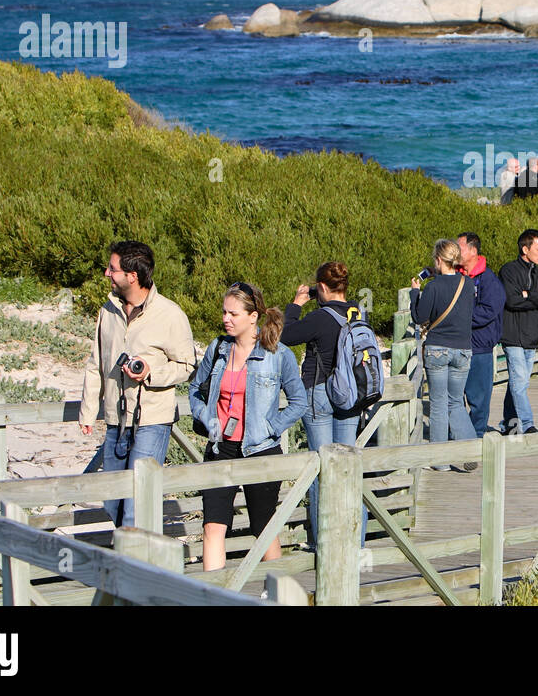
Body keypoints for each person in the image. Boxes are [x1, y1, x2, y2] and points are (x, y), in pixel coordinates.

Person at [189, 283, 306, 571]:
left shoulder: (278, 355)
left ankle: (277, 593)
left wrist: (270, 427)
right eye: (224, 312)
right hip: (220, 449)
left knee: (263, 529)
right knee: (213, 527)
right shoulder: (217, 348)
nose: (226, 318)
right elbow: (194, 389)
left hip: (261, 450)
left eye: (233, 313)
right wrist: (207, 417)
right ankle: (214, 597)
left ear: (253, 316)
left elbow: (298, 402)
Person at [80, 240, 196, 529]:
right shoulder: (108, 310)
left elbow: (188, 366)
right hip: (114, 420)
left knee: (137, 507)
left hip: (152, 421)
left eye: (113, 268)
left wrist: (149, 372)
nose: (107, 273)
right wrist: (87, 411)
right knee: (112, 505)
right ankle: (120, 568)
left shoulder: (170, 314)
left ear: (132, 276)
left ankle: (138, 571)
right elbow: (96, 363)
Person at [281, 261, 368, 544]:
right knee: (348, 469)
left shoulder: (319, 317)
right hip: (351, 395)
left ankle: (324, 544)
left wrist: (295, 305)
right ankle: (355, 541)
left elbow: (285, 335)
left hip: (319, 393)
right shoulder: (358, 314)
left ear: (321, 287)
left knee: (321, 470)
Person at [410, 239, 476, 469]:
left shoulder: (433, 286)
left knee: (438, 402)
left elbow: (420, 317)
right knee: (455, 401)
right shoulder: (468, 284)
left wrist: (414, 293)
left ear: (438, 260)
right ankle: (470, 449)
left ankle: (440, 461)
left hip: (438, 349)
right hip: (463, 349)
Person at [499, 229, 538, 435]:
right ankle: (527, 423)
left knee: (517, 383)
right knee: (520, 382)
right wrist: (535, 296)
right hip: (512, 335)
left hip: (531, 335)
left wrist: (527, 295)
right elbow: (512, 301)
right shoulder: (509, 271)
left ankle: (508, 423)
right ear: (525, 249)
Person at [458, 232, 505, 438]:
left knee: (479, 399)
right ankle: (460, 435)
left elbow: (489, 311)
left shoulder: (489, 279)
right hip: (456, 345)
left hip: (480, 348)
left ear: (473, 250)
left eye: (459, 247)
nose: (455, 251)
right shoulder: (455, 277)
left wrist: (459, 318)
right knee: (454, 398)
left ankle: (476, 437)